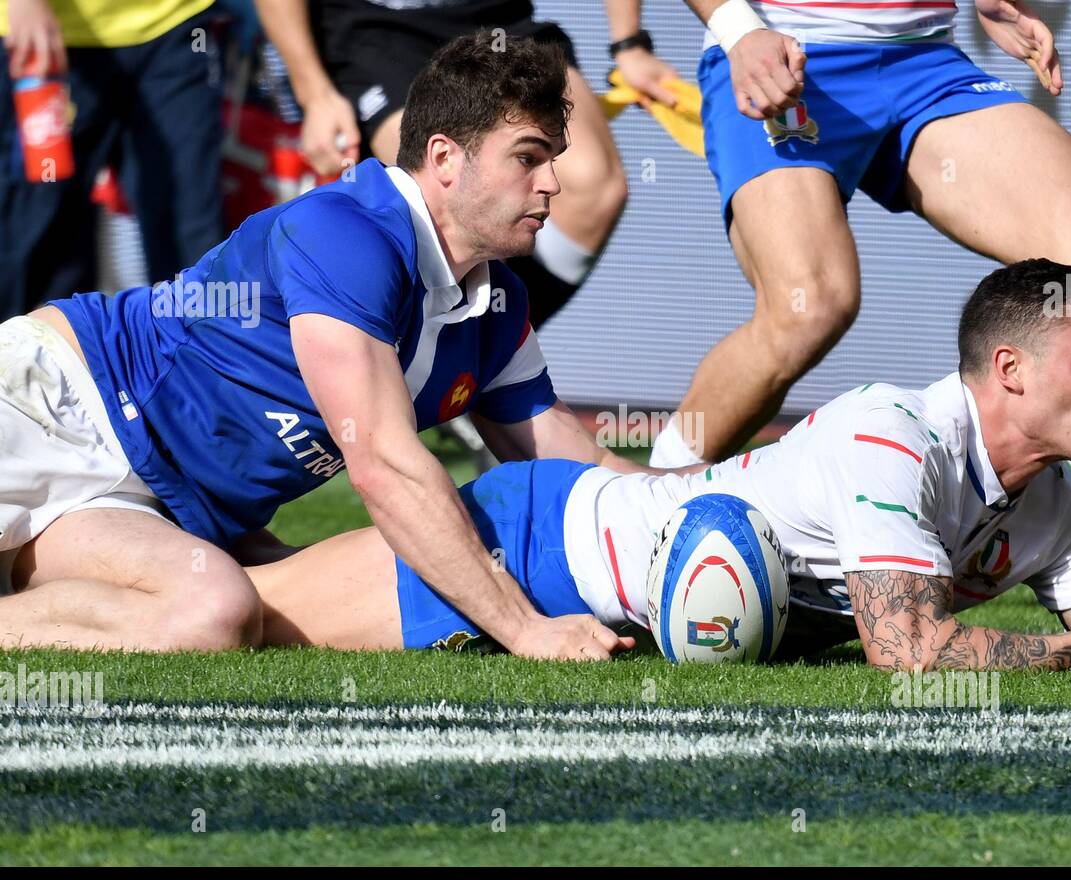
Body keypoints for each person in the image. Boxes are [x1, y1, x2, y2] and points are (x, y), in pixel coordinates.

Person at [0, 34, 665, 658]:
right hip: (51, 403)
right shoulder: (348, 230)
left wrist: (713, 502)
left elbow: (582, 465)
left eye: (553, 158)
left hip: (148, 501)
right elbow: (383, 464)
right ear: (443, 159)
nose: (552, 182)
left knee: (210, 611)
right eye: (528, 156)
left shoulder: (497, 304)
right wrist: (524, 629)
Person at [249, 261, 1071, 677]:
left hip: (614, 585)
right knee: (235, 620)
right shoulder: (894, 434)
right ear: (1010, 371)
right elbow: (909, 653)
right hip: (543, 545)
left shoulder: (1060, 502)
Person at [644, 0, 1071, 607]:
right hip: (784, 51)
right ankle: (652, 507)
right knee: (809, 306)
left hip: (921, 62)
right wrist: (736, 28)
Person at [255, 0, 679, 326]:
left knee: (596, 187)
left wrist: (630, 45)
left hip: (499, 22)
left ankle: (484, 366)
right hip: (375, 32)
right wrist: (314, 92)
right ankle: (419, 369)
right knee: (454, 189)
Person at [0, 0, 224, 317]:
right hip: (49, 37)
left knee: (192, 238)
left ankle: (202, 358)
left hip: (178, 24)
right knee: (33, 234)